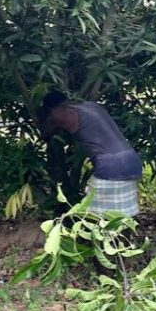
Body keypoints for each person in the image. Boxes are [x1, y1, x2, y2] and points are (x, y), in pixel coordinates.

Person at [37, 89, 142, 217]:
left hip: (110, 166)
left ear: (53, 109)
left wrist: (44, 116)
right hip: (132, 161)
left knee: (95, 217)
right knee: (123, 217)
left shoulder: (63, 115)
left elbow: (46, 134)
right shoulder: (92, 106)